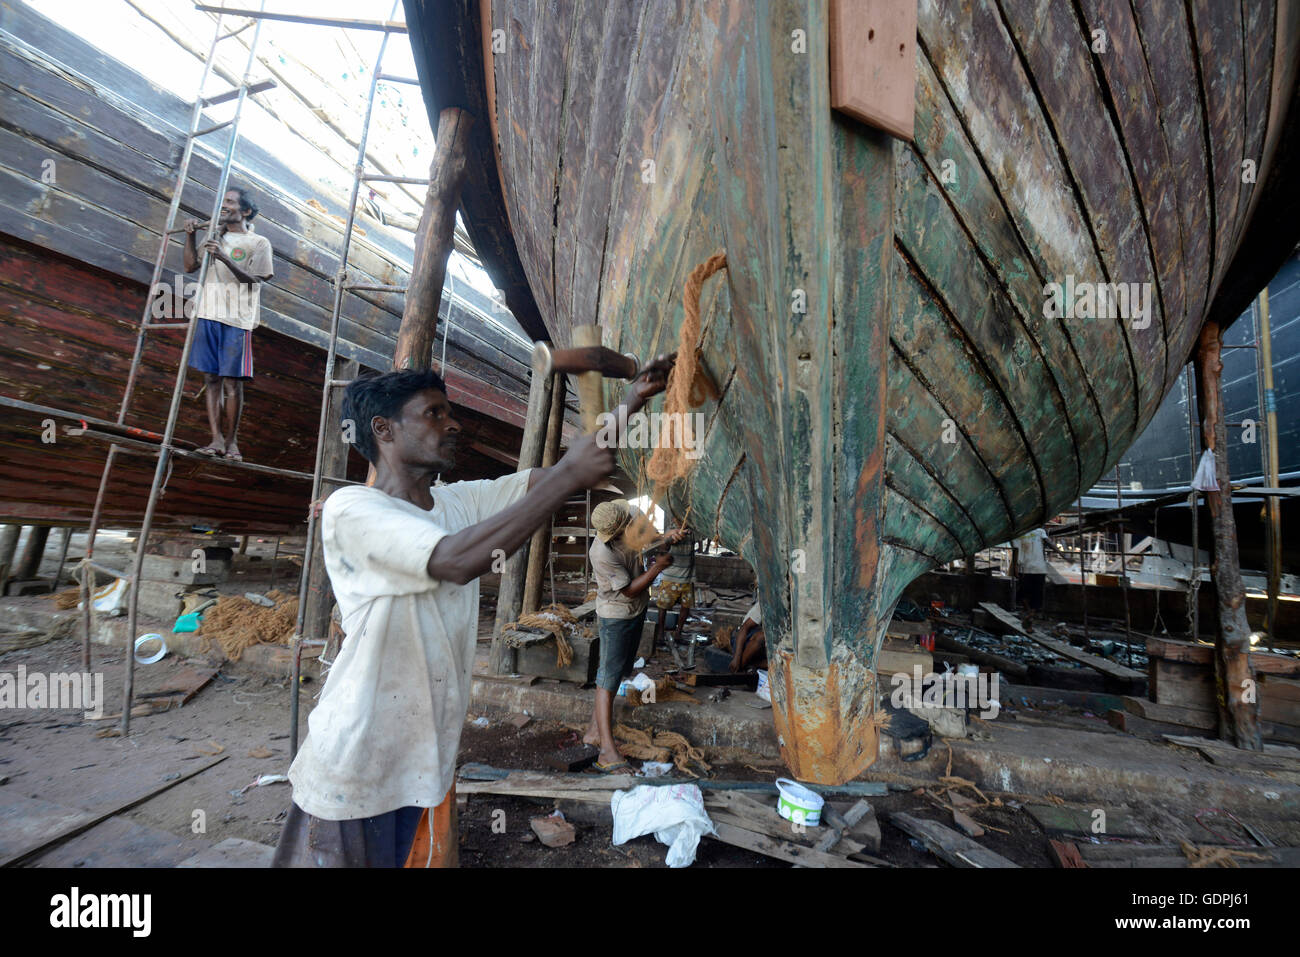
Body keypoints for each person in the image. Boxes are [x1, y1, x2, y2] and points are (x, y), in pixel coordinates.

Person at [273, 356, 674, 868]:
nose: (453, 422)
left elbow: (550, 479)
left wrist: (630, 401)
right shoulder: (353, 509)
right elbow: (456, 560)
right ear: (384, 430)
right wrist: (571, 473)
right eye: (434, 414)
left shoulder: (455, 503)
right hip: (355, 763)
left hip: (420, 762)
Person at [182, 186, 273, 462]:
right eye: (223, 201)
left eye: (231, 202)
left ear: (245, 211)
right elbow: (189, 267)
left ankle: (232, 443)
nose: (224, 206)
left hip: (236, 319)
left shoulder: (258, 243)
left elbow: (255, 280)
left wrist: (222, 256)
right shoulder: (214, 235)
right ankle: (216, 439)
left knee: (233, 383)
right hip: (207, 313)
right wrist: (190, 235)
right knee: (211, 378)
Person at [583, 500, 674, 772]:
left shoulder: (633, 514)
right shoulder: (601, 553)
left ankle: (593, 731)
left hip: (636, 610)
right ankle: (607, 752)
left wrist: (667, 537)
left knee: (619, 671)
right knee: (606, 681)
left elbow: (650, 537)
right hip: (616, 615)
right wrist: (657, 568)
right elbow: (629, 591)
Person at [652, 524, 695, 656]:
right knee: (662, 606)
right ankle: (660, 634)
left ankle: (678, 633)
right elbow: (662, 548)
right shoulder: (670, 530)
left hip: (687, 577)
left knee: (686, 606)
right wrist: (670, 538)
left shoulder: (693, 531)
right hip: (670, 576)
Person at [1012, 526, 1050, 629]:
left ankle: (1030, 615)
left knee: (1028, 594)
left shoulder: (1039, 531)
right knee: (1028, 594)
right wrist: (1015, 566)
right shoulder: (1019, 533)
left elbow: (1015, 551)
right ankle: (1030, 614)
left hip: (1032, 568)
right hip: (1029, 568)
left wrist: (1015, 566)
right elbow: (1016, 550)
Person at [729, 593, 767, 673]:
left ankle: (751, 665)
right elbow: (744, 628)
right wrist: (737, 657)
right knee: (762, 636)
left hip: (762, 648)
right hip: (742, 640)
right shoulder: (765, 604)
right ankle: (740, 667)